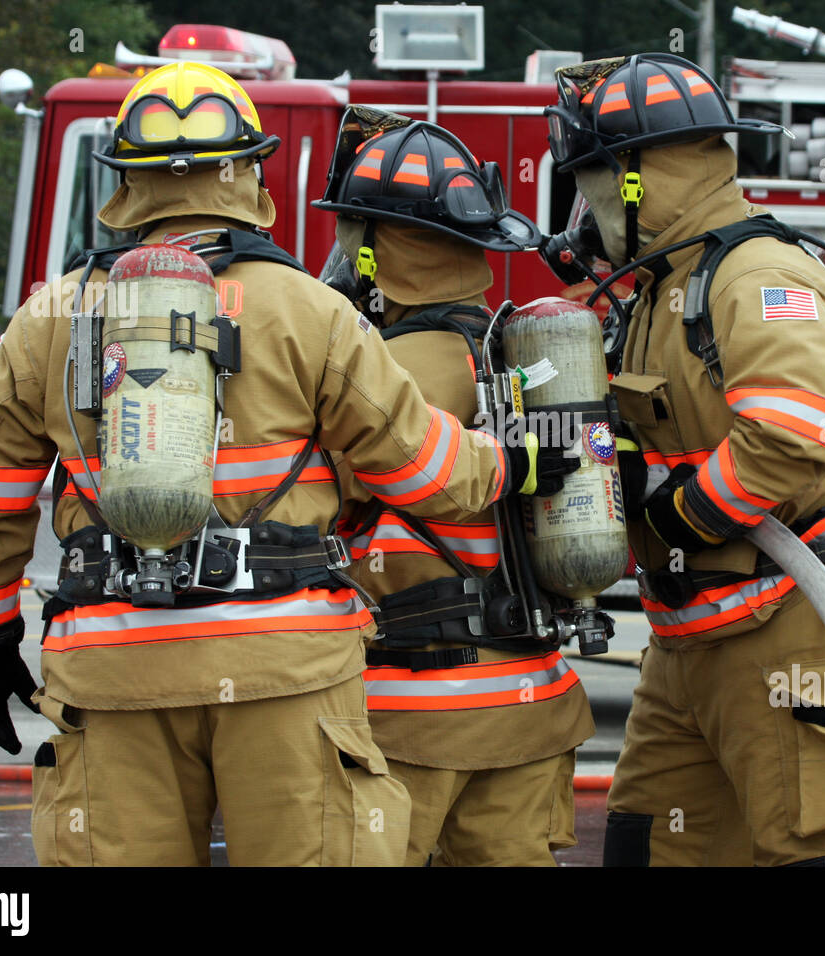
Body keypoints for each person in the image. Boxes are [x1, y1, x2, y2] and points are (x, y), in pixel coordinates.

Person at [0, 62, 563, 866]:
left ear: (125, 185)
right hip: (287, 671)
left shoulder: (49, 317)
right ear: (248, 173)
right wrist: (509, 464)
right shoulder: (312, 310)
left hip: (112, 672)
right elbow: (423, 472)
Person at [545, 53, 825, 866]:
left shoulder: (753, 275)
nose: (582, 213)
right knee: (652, 845)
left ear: (633, 180)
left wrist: (679, 512)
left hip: (803, 629)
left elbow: (801, 425)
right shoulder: (662, 289)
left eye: (587, 187)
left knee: (820, 847)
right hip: (690, 639)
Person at [311, 109, 594, 866]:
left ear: (371, 250)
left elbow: (308, 506)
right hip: (530, 702)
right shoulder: (522, 354)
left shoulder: (380, 374)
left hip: (411, 714)